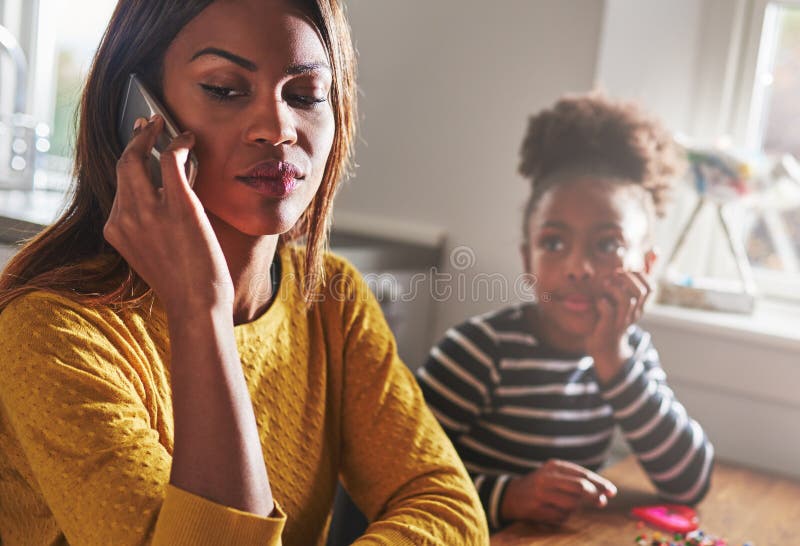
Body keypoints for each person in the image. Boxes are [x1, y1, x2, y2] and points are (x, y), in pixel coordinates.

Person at [0, 1, 489, 545]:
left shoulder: (332, 298)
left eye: (304, 96)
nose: (277, 129)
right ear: (137, 110)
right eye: (225, 89)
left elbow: (448, 506)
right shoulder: (50, 334)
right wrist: (200, 311)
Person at [416, 93, 715, 532]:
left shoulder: (628, 355)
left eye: (607, 244)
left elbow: (690, 483)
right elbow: (400, 480)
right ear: (527, 260)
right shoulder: (478, 353)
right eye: (554, 243)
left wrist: (613, 361)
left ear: (647, 266)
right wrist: (510, 496)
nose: (578, 267)